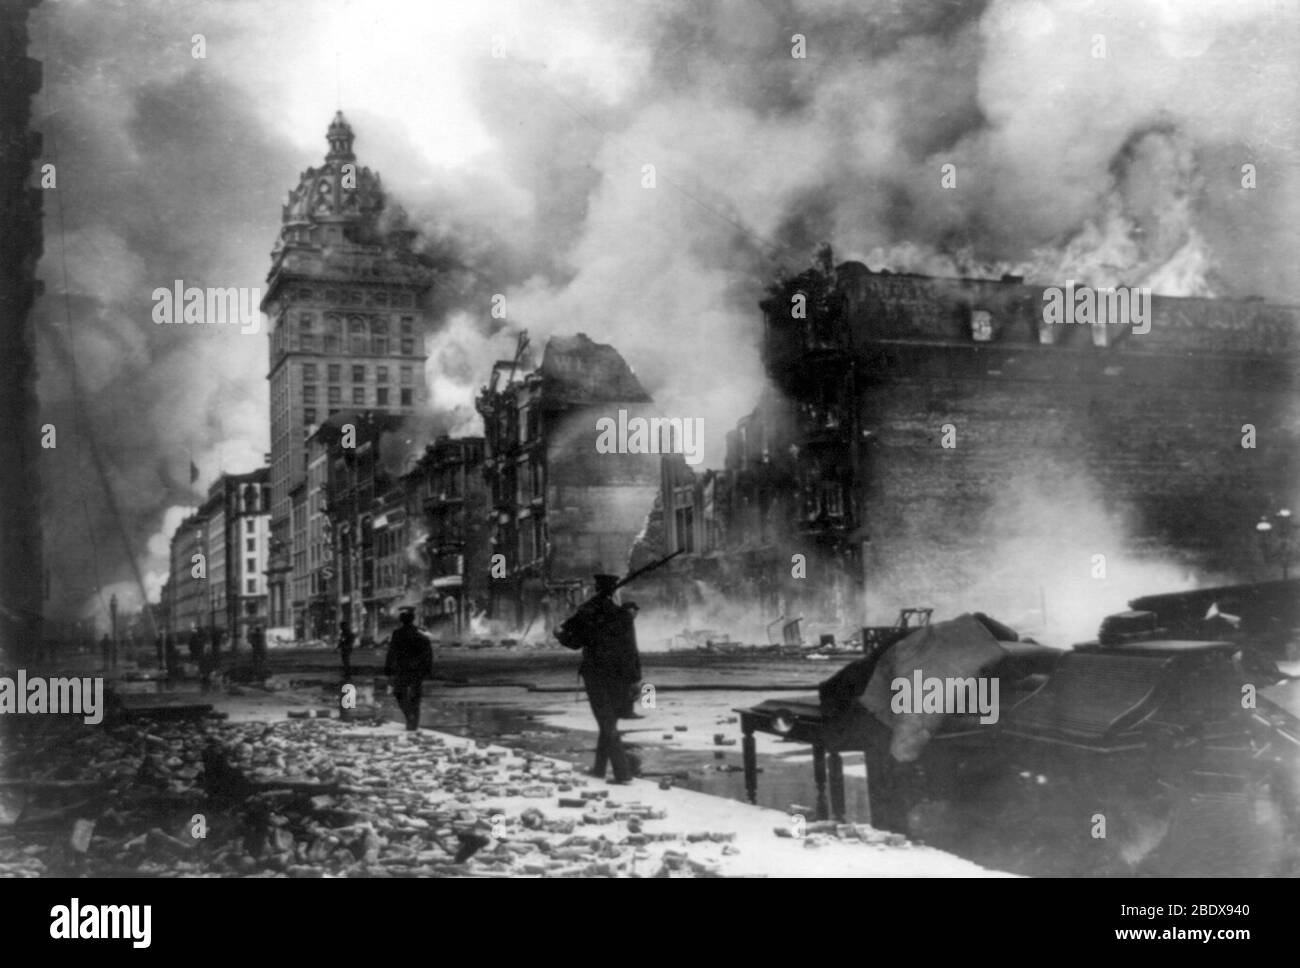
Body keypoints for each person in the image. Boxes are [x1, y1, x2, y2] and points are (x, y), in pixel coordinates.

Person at [556, 574, 642, 784]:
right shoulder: (623, 616)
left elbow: (575, 641)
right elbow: (632, 649)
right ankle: (599, 769)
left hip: (596, 673)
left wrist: (558, 634)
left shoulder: (588, 613)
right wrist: (636, 679)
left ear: (595, 588)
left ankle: (622, 774)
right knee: (609, 721)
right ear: (614, 592)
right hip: (620, 676)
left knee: (606, 723)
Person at [384, 607, 433, 731]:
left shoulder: (397, 633)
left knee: (399, 693)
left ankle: (408, 715)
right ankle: (413, 723)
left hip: (402, 668)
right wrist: (428, 668)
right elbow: (428, 652)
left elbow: (392, 652)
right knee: (415, 697)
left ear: (401, 620)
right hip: (417, 669)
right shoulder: (420, 633)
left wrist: (388, 667)